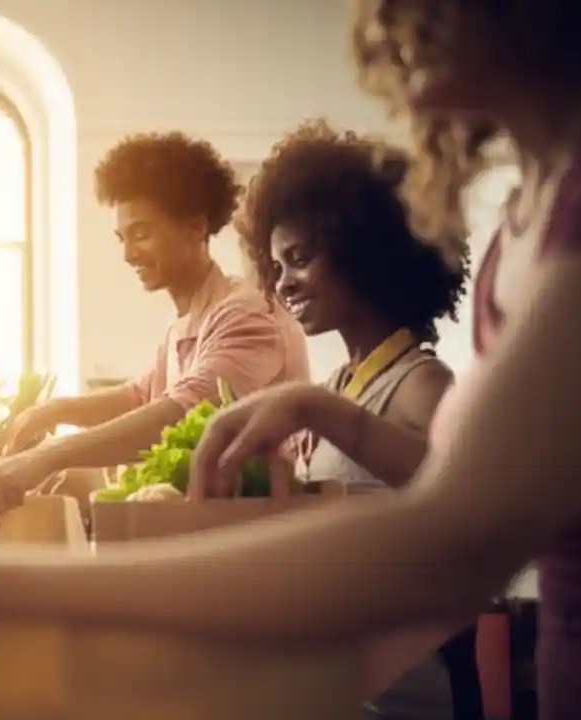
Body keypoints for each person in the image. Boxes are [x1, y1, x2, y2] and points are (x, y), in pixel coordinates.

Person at [0, 2, 581, 719]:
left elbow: (444, 534)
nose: (385, 20)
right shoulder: (534, 203)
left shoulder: (571, 212)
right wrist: (55, 425)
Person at [237, 119, 471, 719]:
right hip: (333, 675)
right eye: (276, 265)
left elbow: (447, 492)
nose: (283, 282)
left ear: (361, 253)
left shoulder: (422, 380)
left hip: (394, 691)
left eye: (299, 259)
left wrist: (319, 411)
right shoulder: (341, 384)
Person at [0, 132, 309, 527]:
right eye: (122, 238)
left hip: (263, 535)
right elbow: (140, 395)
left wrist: (48, 455)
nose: (129, 255)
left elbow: (176, 414)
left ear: (196, 228)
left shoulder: (247, 313)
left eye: (142, 233)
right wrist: (52, 411)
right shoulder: (187, 321)